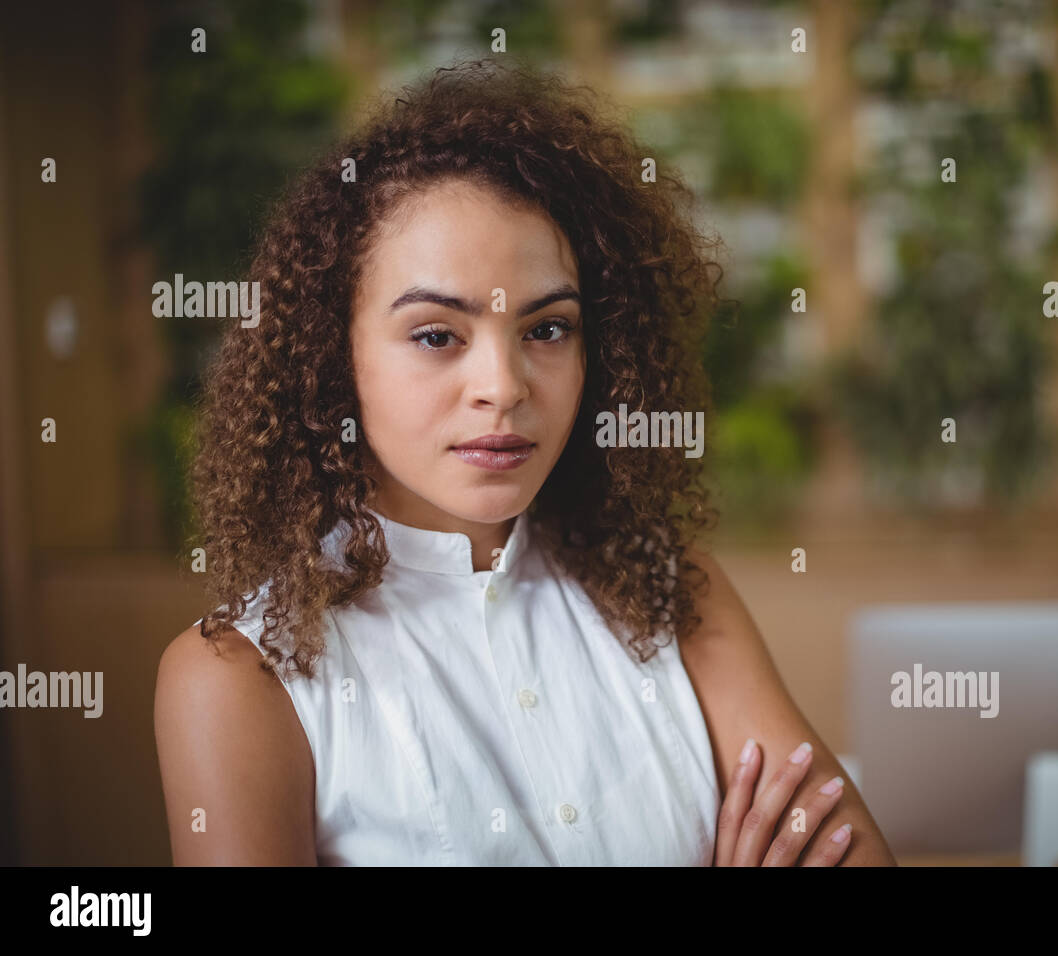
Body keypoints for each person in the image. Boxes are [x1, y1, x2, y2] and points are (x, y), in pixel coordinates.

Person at [154, 57, 896, 867]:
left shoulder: (674, 593)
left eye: (547, 329)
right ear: (332, 358)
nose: (503, 389)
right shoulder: (236, 678)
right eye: (438, 334)